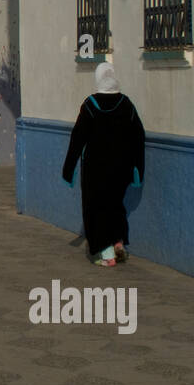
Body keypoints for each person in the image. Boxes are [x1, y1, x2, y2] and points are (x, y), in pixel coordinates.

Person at [61, 63, 145, 267]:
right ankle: (118, 243)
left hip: (96, 169)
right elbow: (138, 136)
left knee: (95, 208)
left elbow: (77, 138)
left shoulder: (90, 105)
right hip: (121, 168)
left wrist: (69, 169)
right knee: (115, 205)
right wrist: (137, 169)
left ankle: (107, 254)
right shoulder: (126, 104)